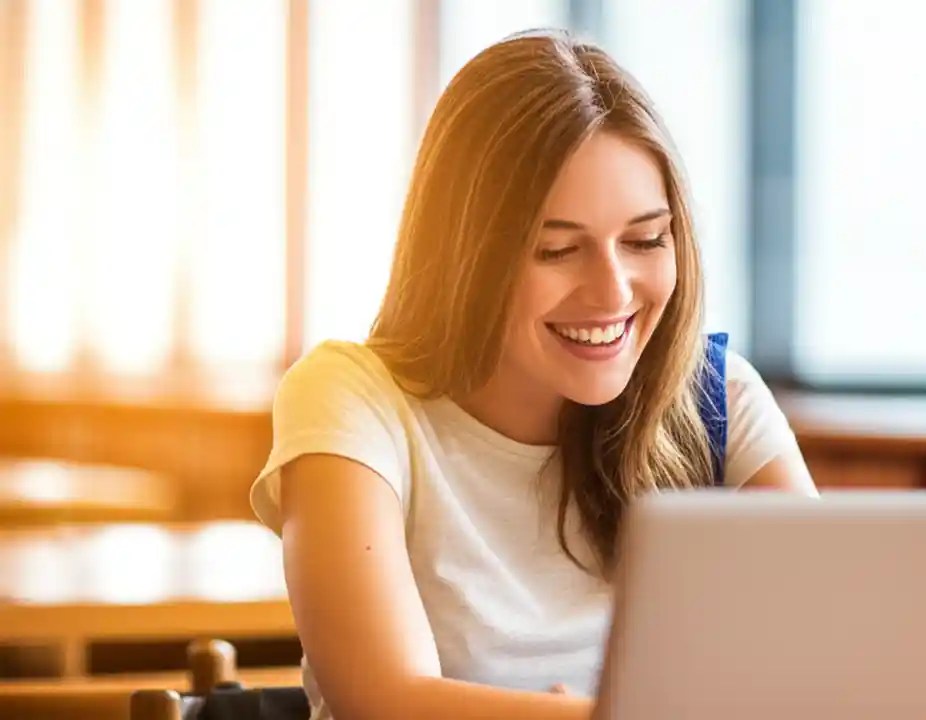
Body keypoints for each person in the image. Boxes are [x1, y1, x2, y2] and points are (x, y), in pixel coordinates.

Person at [249, 29, 817, 720]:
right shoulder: (352, 399)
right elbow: (384, 701)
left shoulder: (715, 398)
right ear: (467, 252)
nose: (612, 292)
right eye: (557, 249)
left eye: (644, 241)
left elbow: (827, 664)